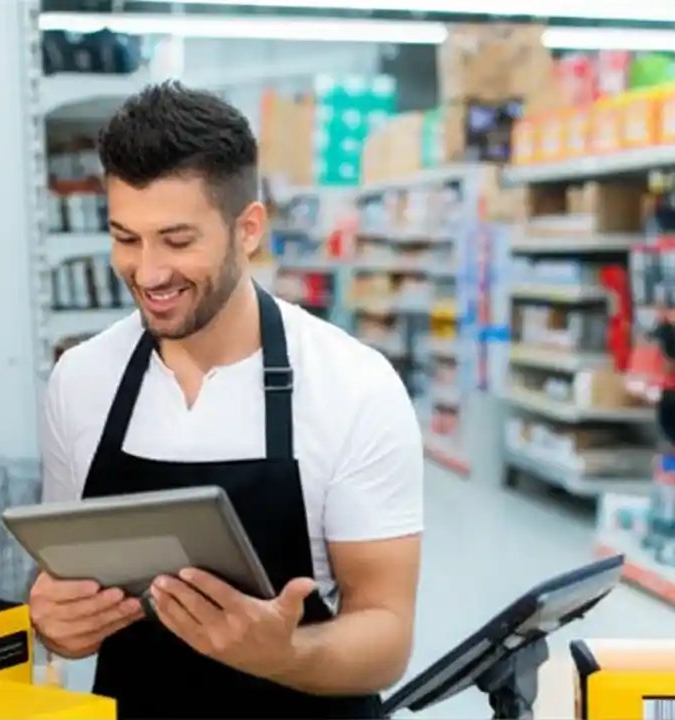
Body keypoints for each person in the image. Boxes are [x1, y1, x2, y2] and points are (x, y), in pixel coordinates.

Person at [28, 81, 423, 719]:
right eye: (126, 238)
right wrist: (52, 621)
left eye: (178, 241)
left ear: (248, 229)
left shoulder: (354, 386)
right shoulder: (81, 380)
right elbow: (65, 588)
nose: (148, 273)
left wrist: (284, 654)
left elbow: (386, 635)